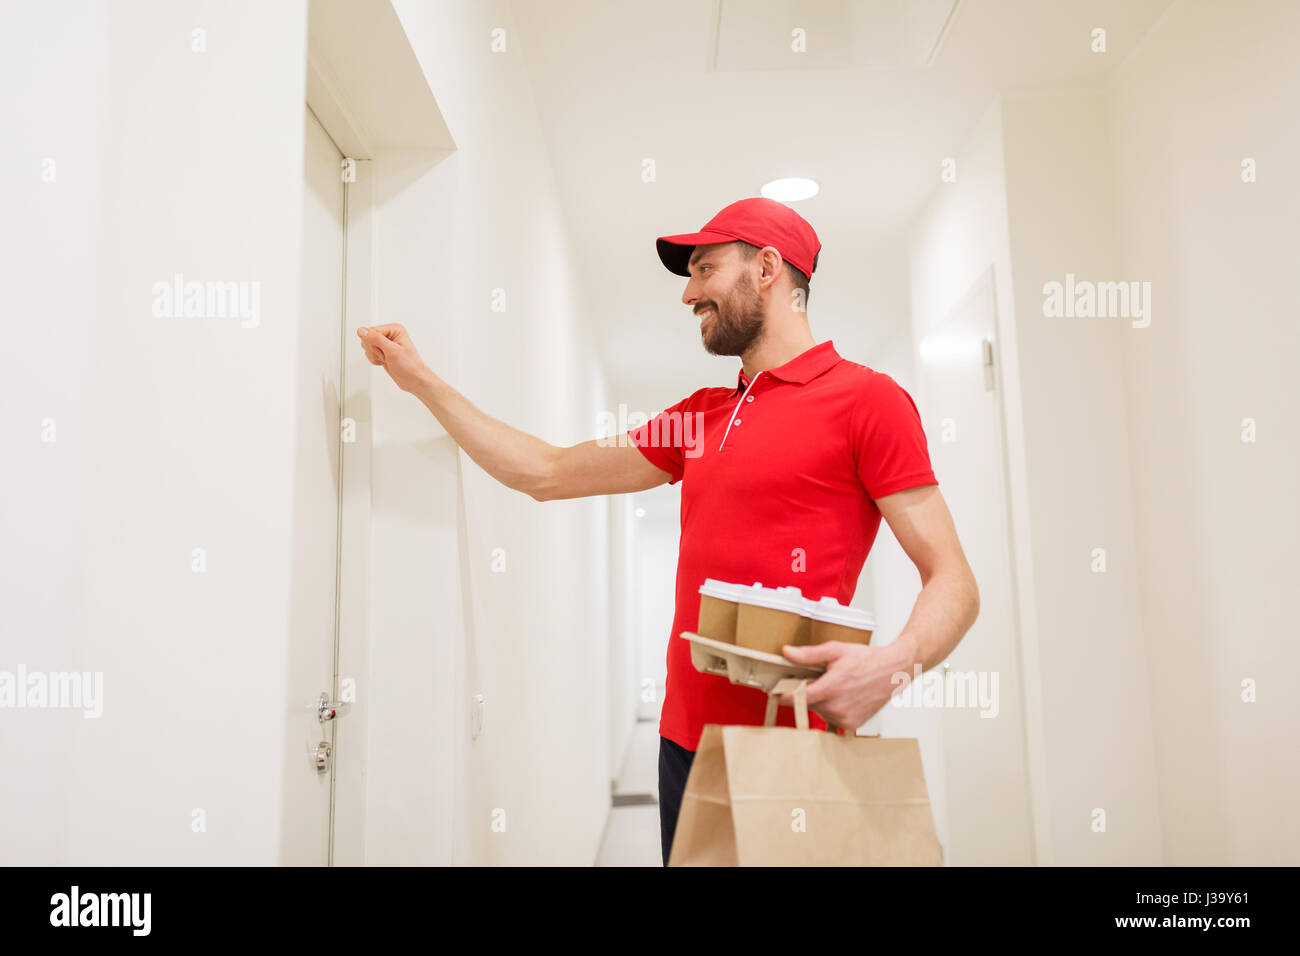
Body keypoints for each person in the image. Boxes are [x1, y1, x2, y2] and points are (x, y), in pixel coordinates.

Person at [356, 196, 980, 867]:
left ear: (767, 268)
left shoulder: (867, 400)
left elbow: (953, 577)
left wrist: (895, 664)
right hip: (684, 747)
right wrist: (420, 381)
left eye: (705, 269)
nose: (689, 293)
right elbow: (547, 470)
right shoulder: (700, 418)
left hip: (793, 744)